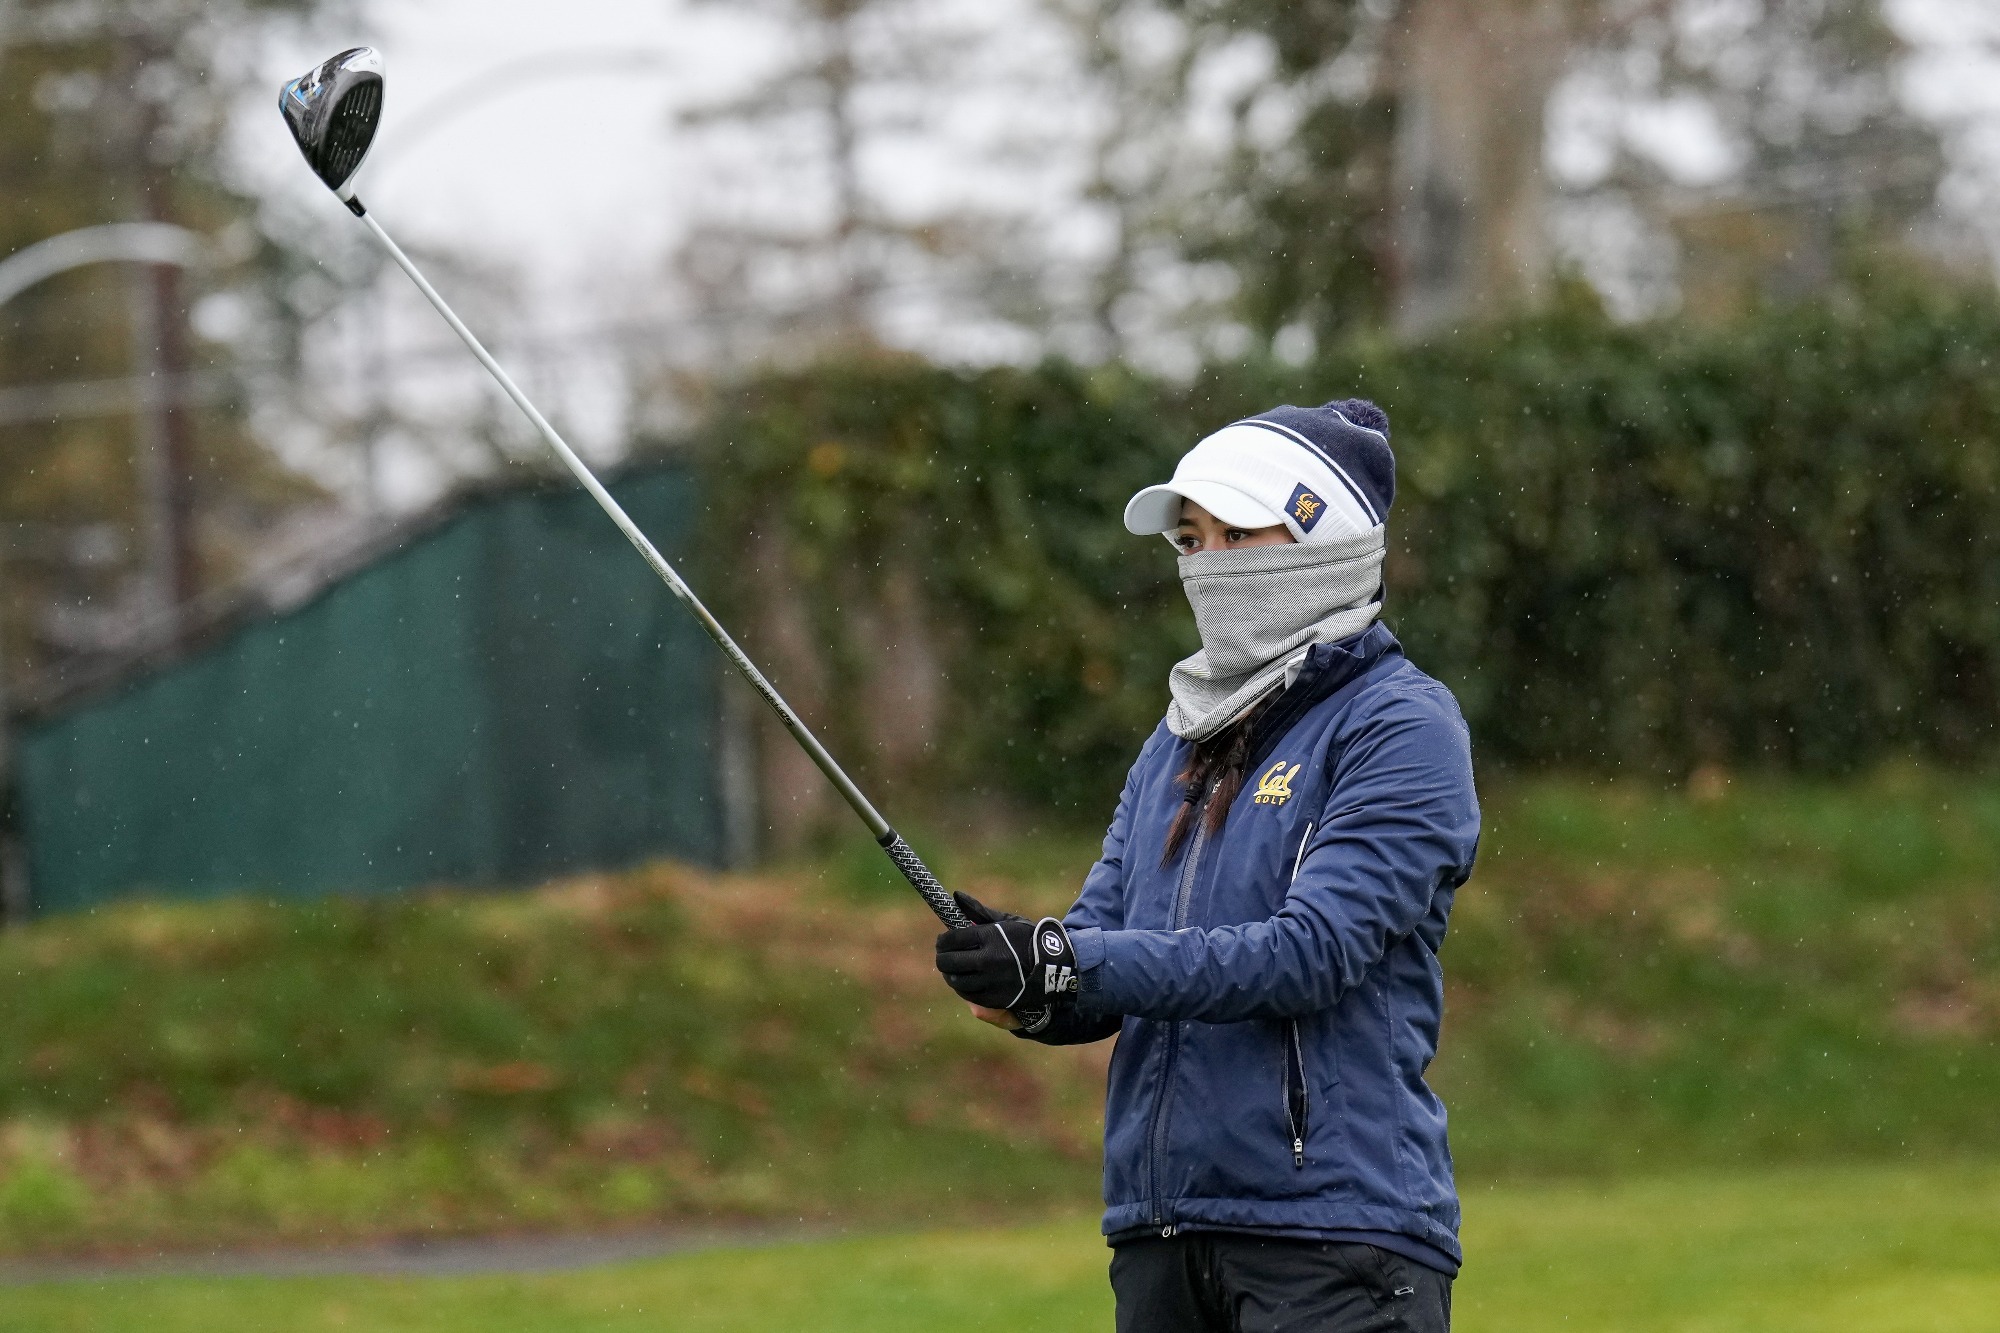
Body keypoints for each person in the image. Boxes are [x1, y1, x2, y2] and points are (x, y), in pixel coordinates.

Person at [935, 399, 1479, 1333]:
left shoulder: (1400, 723)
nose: (1210, 565)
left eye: (1237, 533)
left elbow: (1308, 953)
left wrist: (1073, 956)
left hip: (1332, 1244)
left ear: (1324, 540)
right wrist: (1026, 979)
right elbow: (1104, 965)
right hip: (1162, 1238)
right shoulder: (1175, 741)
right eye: (1192, 540)